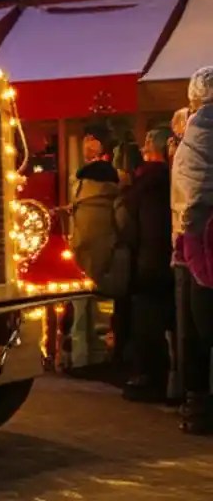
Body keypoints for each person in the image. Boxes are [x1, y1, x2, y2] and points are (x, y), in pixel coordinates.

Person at [171, 67, 213, 434]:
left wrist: (184, 239)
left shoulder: (197, 132)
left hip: (198, 248)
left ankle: (198, 407)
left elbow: (192, 197)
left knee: (198, 332)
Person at [66, 124, 129, 367]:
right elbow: (122, 224)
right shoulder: (118, 189)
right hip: (109, 259)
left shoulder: (80, 189)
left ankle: (82, 360)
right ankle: (101, 357)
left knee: (81, 313)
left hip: (82, 256)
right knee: (106, 312)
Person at [120, 127, 175, 402]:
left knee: (146, 324)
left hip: (148, 264)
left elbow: (133, 227)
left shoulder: (146, 183)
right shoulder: (173, 180)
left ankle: (147, 378)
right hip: (172, 261)